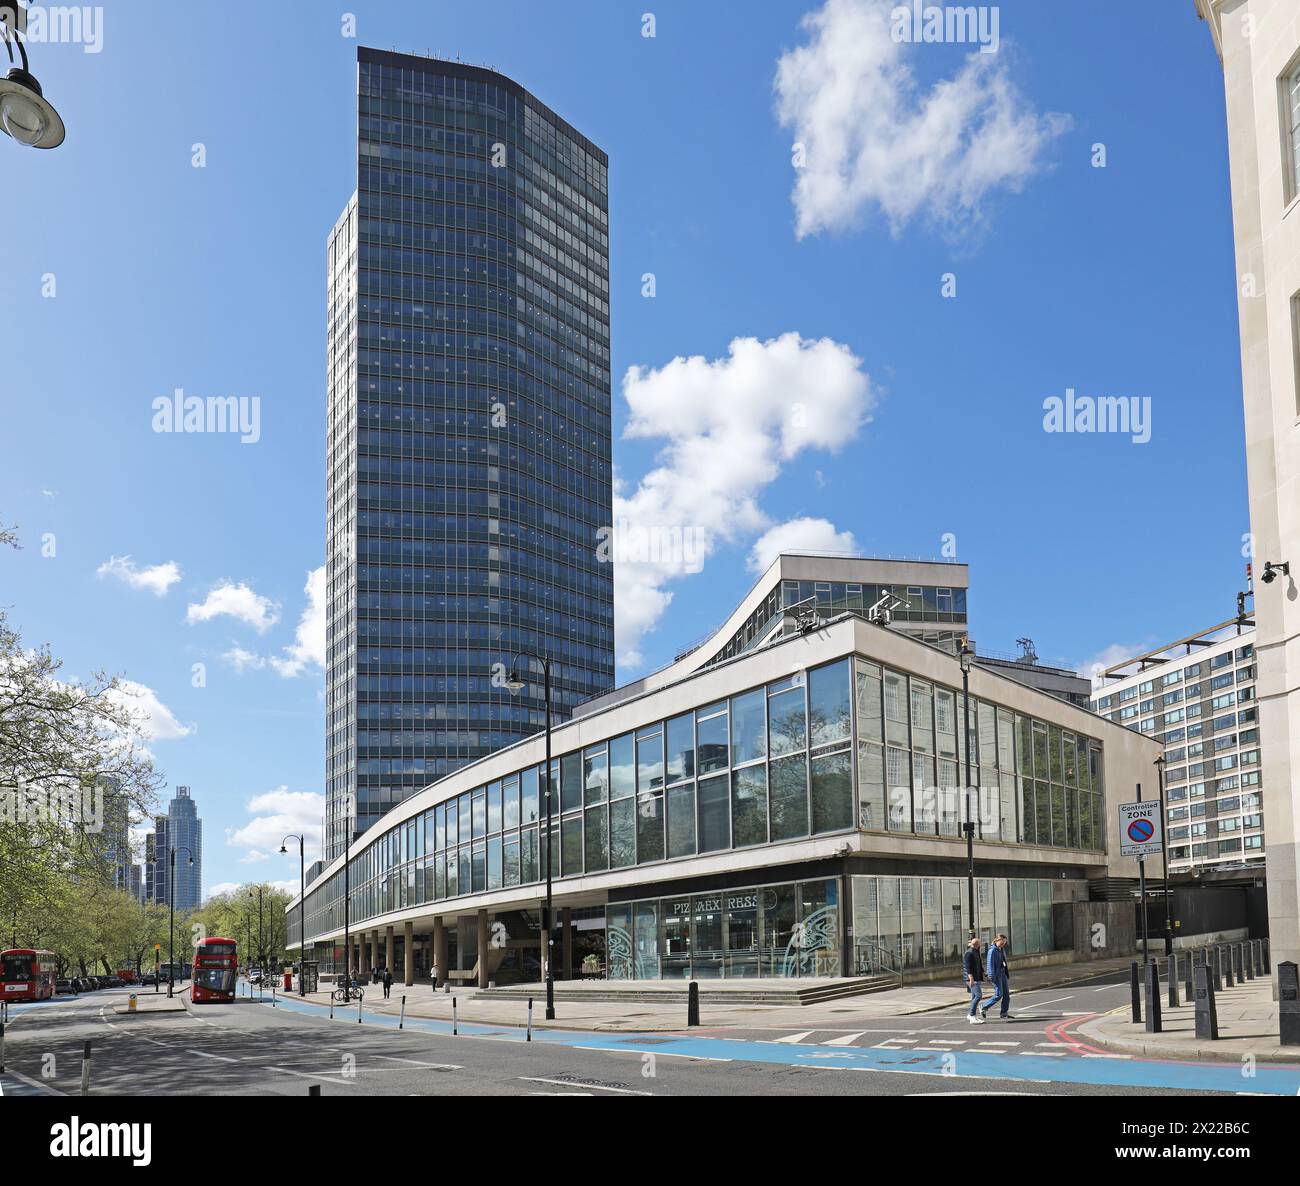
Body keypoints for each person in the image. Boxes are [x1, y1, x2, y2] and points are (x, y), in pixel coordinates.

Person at [982, 934, 1013, 1020]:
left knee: (1006, 994)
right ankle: (983, 1006)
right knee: (999, 994)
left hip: (1003, 974)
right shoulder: (992, 951)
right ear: (997, 940)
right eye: (1002, 942)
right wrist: (990, 975)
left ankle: (1004, 1013)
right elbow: (989, 964)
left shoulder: (1001, 949)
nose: (1003, 944)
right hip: (996, 975)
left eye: (1004, 943)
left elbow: (1004, 962)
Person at [963, 937, 985, 1024]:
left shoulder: (976, 952)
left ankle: (973, 1016)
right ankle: (971, 1015)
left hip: (977, 977)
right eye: (980, 944)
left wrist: (984, 974)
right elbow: (968, 967)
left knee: (974, 997)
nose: (980, 945)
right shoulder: (969, 953)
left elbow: (979, 965)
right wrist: (971, 978)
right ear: (977, 945)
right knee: (978, 996)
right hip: (972, 979)